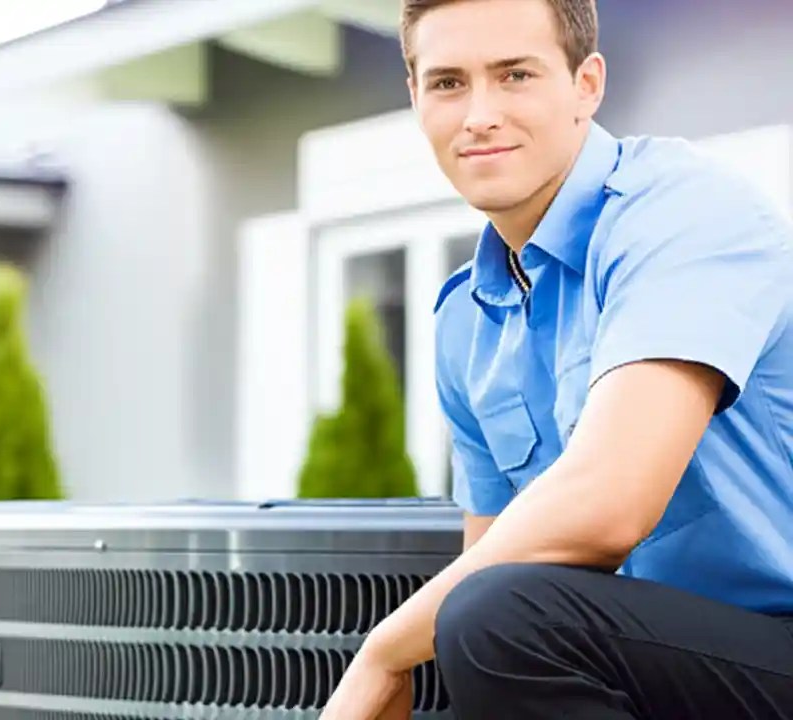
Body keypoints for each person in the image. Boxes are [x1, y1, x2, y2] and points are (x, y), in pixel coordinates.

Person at [317, 0, 793, 718]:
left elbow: (607, 507)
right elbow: (498, 556)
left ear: (587, 84)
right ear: (416, 98)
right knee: (477, 616)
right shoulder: (463, 323)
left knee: (494, 617)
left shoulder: (684, 214)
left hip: (774, 643)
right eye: (449, 83)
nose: (479, 114)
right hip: (642, 658)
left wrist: (382, 651)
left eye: (515, 75)